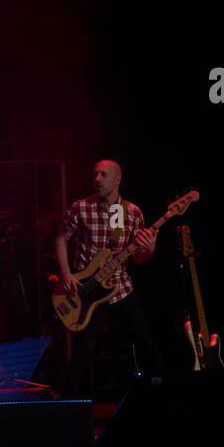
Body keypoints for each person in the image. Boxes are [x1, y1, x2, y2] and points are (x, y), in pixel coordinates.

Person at [55, 158, 164, 399]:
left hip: (120, 287)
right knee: (83, 349)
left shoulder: (133, 212)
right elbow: (61, 238)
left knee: (144, 338)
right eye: (95, 174)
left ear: (117, 179)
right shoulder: (80, 207)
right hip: (86, 289)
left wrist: (150, 249)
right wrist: (66, 274)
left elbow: (139, 259)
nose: (97, 179)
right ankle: (64, 403)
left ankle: (160, 394)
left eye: (103, 175)